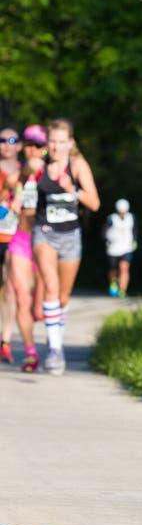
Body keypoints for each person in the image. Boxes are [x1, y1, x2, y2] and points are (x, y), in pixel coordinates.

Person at [32, 118, 100, 375]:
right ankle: (55, 352)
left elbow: (94, 203)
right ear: (46, 143)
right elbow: (24, 190)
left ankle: (54, 337)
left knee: (61, 296)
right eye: (52, 141)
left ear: (70, 142)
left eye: (62, 142)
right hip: (44, 233)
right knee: (49, 286)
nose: (57, 146)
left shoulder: (78, 165)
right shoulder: (39, 165)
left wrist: (73, 190)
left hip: (70, 236)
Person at [8, 125, 48, 372]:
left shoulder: (53, 174)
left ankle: (54, 346)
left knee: (40, 306)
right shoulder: (18, 176)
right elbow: (4, 196)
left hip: (45, 240)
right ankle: (31, 353)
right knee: (22, 298)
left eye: (38, 145)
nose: (33, 150)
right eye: (29, 145)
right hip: (20, 240)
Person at [0, 126, 22, 363]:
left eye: (12, 140)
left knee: (11, 290)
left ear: (18, 145)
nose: (7, 144)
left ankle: (5, 341)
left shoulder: (25, 172)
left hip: (16, 239)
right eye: (2, 140)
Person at [103, 198, 137, 298]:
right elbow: (104, 232)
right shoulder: (111, 218)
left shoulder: (131, 218)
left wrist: (134, 241)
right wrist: (108, 240)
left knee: (124, 268)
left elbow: (134, 231)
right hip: (113, 248)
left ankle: (122, 290)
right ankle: (113, 284)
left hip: (126, 247)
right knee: (113, 269)